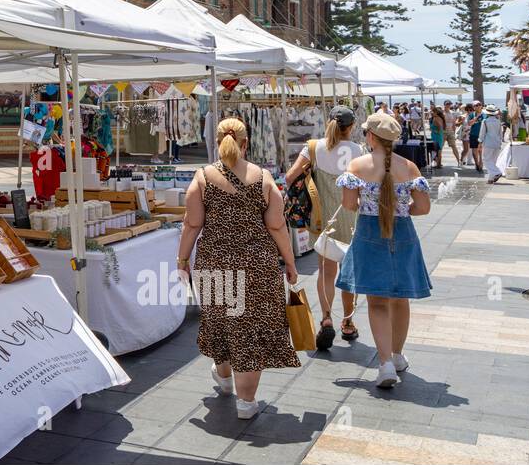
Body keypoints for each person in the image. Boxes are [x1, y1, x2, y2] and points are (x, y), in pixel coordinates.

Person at [179, 119, 299, 418]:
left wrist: (182, 260)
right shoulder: (263, 177)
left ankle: (224, 378)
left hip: (215, 262)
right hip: (258, 265)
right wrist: (291, 261)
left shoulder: (203, 177)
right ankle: (246, 401)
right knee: (251, 329)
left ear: (218, 142)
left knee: (222, 321)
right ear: (246, 143)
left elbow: (192, 223)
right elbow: (276, 224)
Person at [335, 111, 431, 388]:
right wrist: (401, 209)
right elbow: (423, 208)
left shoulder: (357, 166)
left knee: (377, 302)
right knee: (401, 298)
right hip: (403, 233)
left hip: (369, 232)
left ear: (371, 136)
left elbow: (350, 204)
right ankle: (398, 355)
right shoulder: (410, 168)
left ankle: (385, 362)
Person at [284, 105, 363, 351]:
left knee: (325, 272)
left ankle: (326, 317)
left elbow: (289, 177)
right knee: (348, 273)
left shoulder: (314, 147)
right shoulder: (358, 150)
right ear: (351, 127)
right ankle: (348, 323)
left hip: (322, 217)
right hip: (351, 218)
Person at [482, 105, 506, 184]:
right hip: (497, 143)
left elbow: (482, 133)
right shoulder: (498, 121)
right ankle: (491, 178)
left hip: (488, 143)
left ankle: (497, 172)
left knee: (486, 160)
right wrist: (500, 142)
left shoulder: (485, 121)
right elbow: (501, 133)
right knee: (492, 161)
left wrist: (479, 141)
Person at [467, 101, 486, 172]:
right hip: (474, 134)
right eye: (475, 105)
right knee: (474, 150)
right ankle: (477, 163)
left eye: (479, 105)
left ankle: (480, 161)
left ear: (481, 106)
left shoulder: (485, 115)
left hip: (482, 135)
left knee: (480, 150)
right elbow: (469, 124)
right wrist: (476, 117)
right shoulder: (471, 115)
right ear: (473, 107)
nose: (477, 106)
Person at [429, 104, 446, 170]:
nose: (431, 112)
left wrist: (436, 131)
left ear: (436, 112)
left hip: (436, 136)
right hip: (439, 135)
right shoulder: (439, 118)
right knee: (438, 150)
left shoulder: (436, 118)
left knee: (436, 150)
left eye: (432, 112)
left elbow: (440, 126)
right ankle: (439, 164)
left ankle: (438, 164)